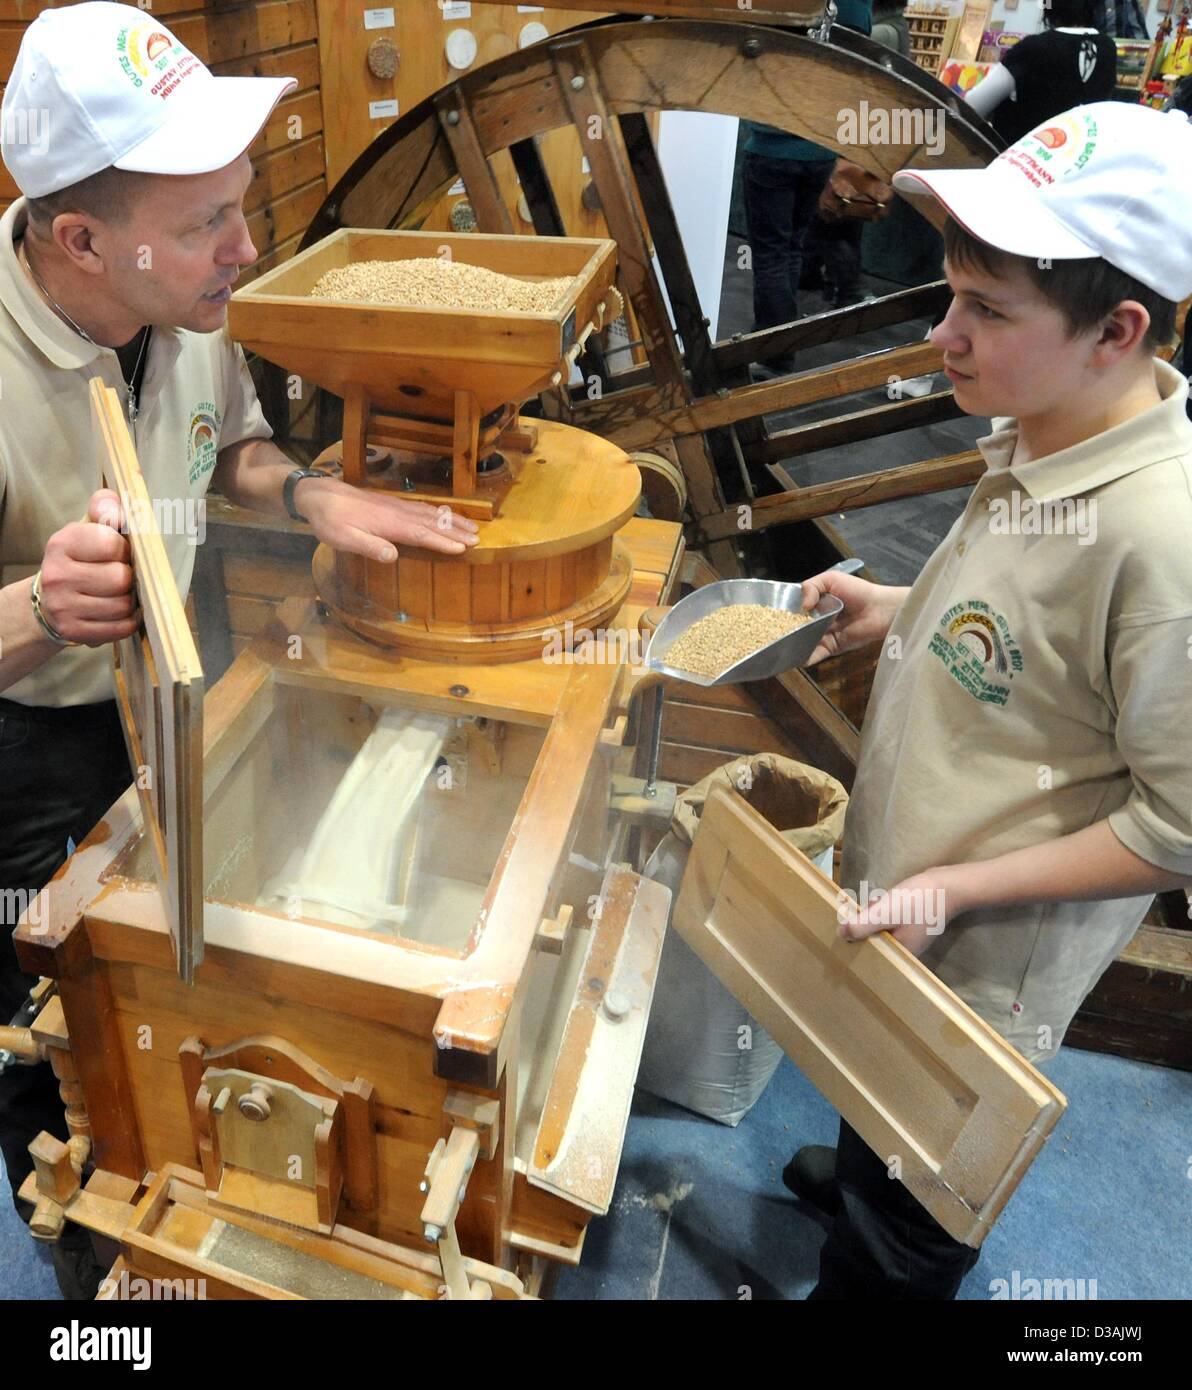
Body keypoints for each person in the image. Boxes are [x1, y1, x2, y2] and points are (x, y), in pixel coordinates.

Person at [0, 3, 478, 1299]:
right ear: (83, 239)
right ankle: (97, 1260)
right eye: (208, 220)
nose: (247, 246)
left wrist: (309, 495)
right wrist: (38, 609)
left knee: (195, 984)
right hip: (22, 740)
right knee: (63, 1032)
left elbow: (240, 453)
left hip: (168, 694)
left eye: (242, 202)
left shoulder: (188, 307)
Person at [786, 102, 1192, 1298]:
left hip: (980, 960)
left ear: (1115, 329)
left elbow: (1176, 828)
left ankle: (886, 1239)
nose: (941, 336)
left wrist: (951, 887)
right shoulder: (1044, 429)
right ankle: (865, 1166)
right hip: (914, 907)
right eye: (949, 296)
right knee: (878, 1075)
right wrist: (899, 608)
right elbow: (1025, 626)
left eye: (986, 312)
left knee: (911, 1222)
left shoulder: (1161, 546)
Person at [740, 0, 873, 376]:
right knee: (791, 249)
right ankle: (778, 341)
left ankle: (774, 352)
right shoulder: (853, 9)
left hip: (772, 145)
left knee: (770, 255)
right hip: (816, 148)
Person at [965, 0, 1117, 146]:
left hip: (1022, 161)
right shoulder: (1108, 48)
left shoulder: (1033, 48)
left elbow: (972, 107)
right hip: (1075, 162)